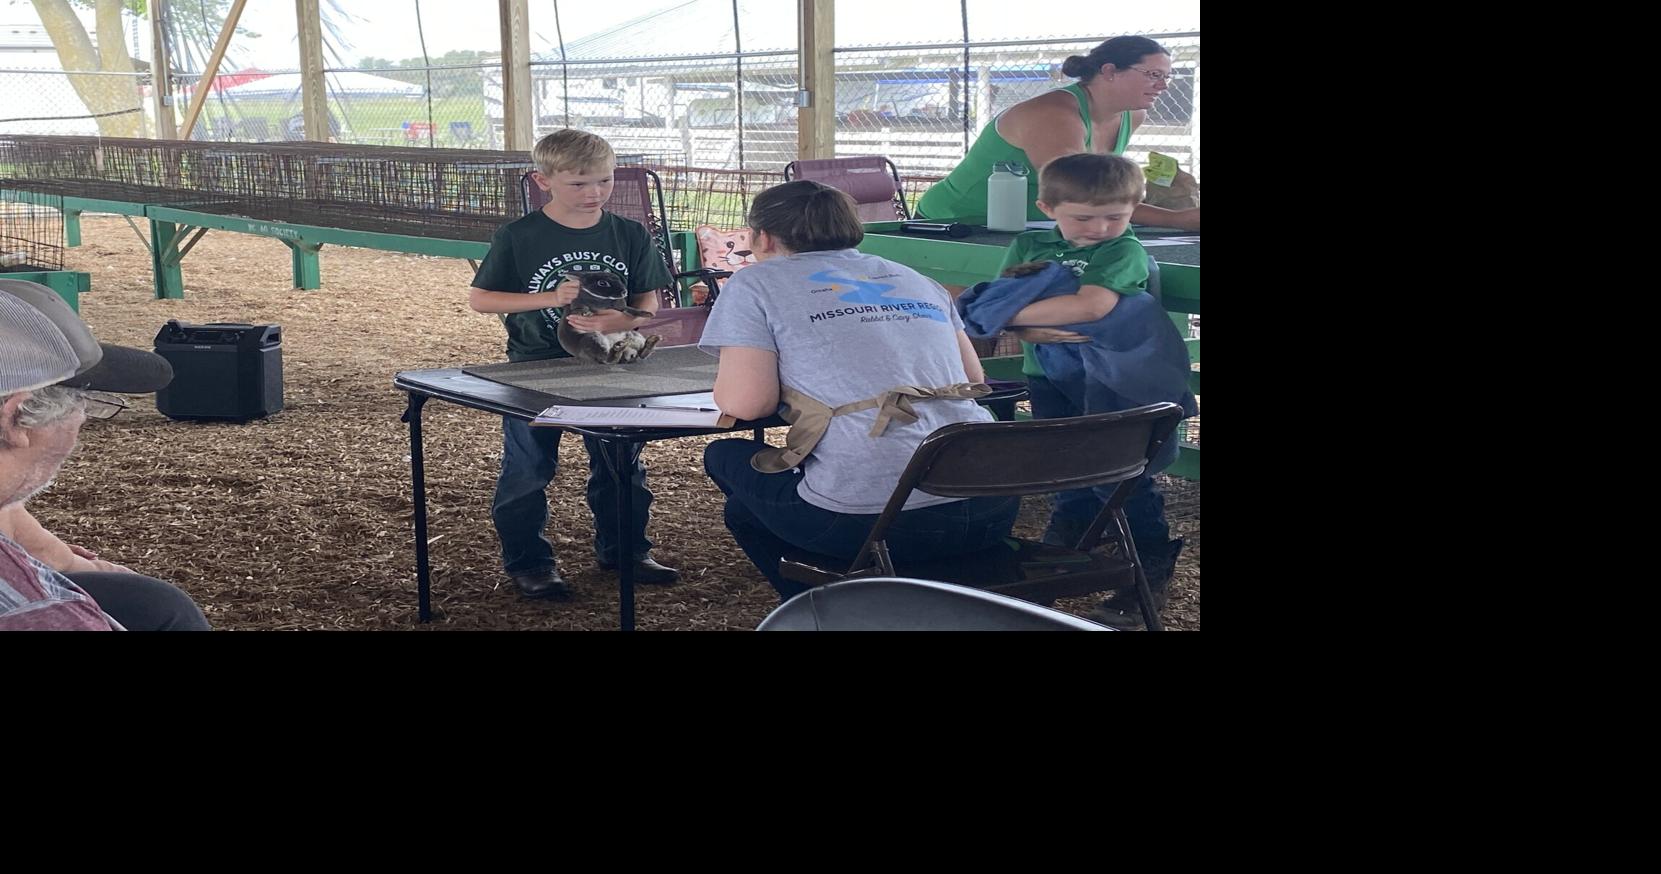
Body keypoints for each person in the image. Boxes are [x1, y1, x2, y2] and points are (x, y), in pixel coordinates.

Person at [698, 180, 1019, 601]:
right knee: (752, 507)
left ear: (762, 237)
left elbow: (747, 403)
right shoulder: (914, 278)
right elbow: (971, 376)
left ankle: (825, 610)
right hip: (990, 506)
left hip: (869, 521)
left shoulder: (755, 284)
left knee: (725, 459)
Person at [977, 153, 1195, 628]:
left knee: (1121, 471)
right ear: (1048, 206)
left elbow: (1091, 306)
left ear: (1133, 209)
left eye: (1115, 216)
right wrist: (1017, 319)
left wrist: (1009, 318)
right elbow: (1000, 296)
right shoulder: (1029, 244)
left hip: (1113, 378)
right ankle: (1066, 547)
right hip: (1050, 373)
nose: (1099, 227)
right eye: (1084, 216)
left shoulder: (1122, 251)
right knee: (1061, 464)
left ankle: (1150, 563)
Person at [466, 129, 679, 599]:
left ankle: (625, 550)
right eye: (579, 184)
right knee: (528, 470)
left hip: (610, 366)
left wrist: (623, 318)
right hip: (534, 367)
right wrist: (548, 297)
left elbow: (649, 296)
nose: (594, 193)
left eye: (603, 182)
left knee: (621, 464)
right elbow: (480, 299)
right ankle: (530, 563)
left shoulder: (628, 232)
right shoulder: (519, 236)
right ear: (543, 181)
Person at [0, 281, 210, 631]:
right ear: (17, 417)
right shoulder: (44, 614)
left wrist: (66, 562)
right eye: (81, 401)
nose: (82, 418)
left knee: (157, 606)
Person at [915, 35, 1199, 232]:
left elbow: (1102, 192)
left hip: (1030, 228)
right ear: (1110, 71)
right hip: (955, 225)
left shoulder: (1132, 114)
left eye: (1166, 77)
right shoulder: (1053, 113)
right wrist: (1178, 219)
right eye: (1153, 75)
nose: (1163, 86)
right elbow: (1082, 194)